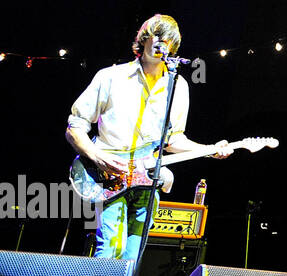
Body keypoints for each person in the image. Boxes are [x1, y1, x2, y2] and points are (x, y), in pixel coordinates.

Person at [66, 15, 230, 262]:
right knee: (111, 249)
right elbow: (75, 126)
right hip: (109, 176)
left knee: (133, 258)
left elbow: (173, 140)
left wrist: (209, 149)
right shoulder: (110, 77)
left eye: (167, 39)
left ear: (172, 48)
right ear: (143, 40)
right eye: (156, 35)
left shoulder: (178, 86)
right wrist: (96, 156)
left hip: (147, 180)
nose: (160, 42)